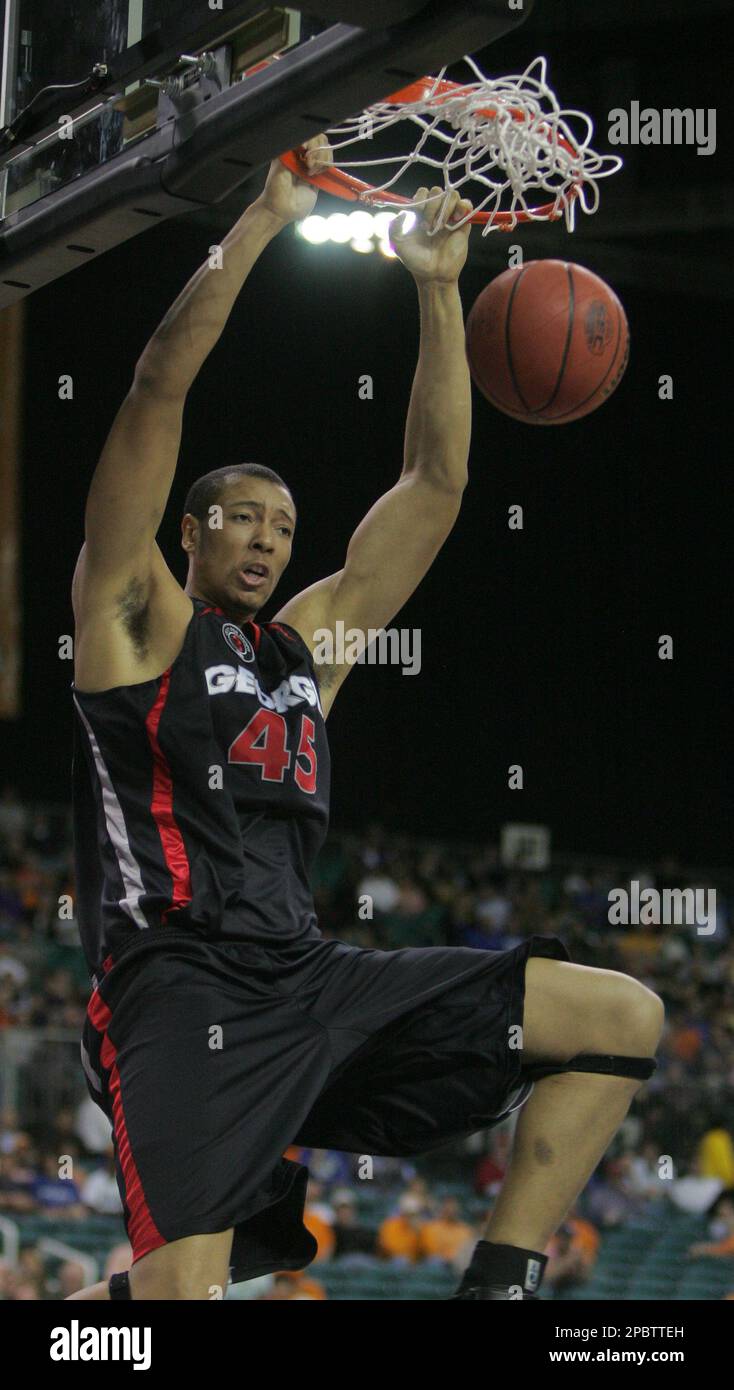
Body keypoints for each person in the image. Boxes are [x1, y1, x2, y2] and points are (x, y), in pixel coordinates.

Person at [66, 137, 663, 1302]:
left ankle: (498, 1284)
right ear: (188, 533)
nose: (266, 540)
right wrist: (261, 223)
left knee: (619, 1014)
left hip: (308, 980)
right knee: (172, 1308)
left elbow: (432, 490)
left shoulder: (305, 655)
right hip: (176, 990)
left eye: (283, 527)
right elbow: (155, 388)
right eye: (241, 518)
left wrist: (439, 295)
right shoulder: (132, 619)